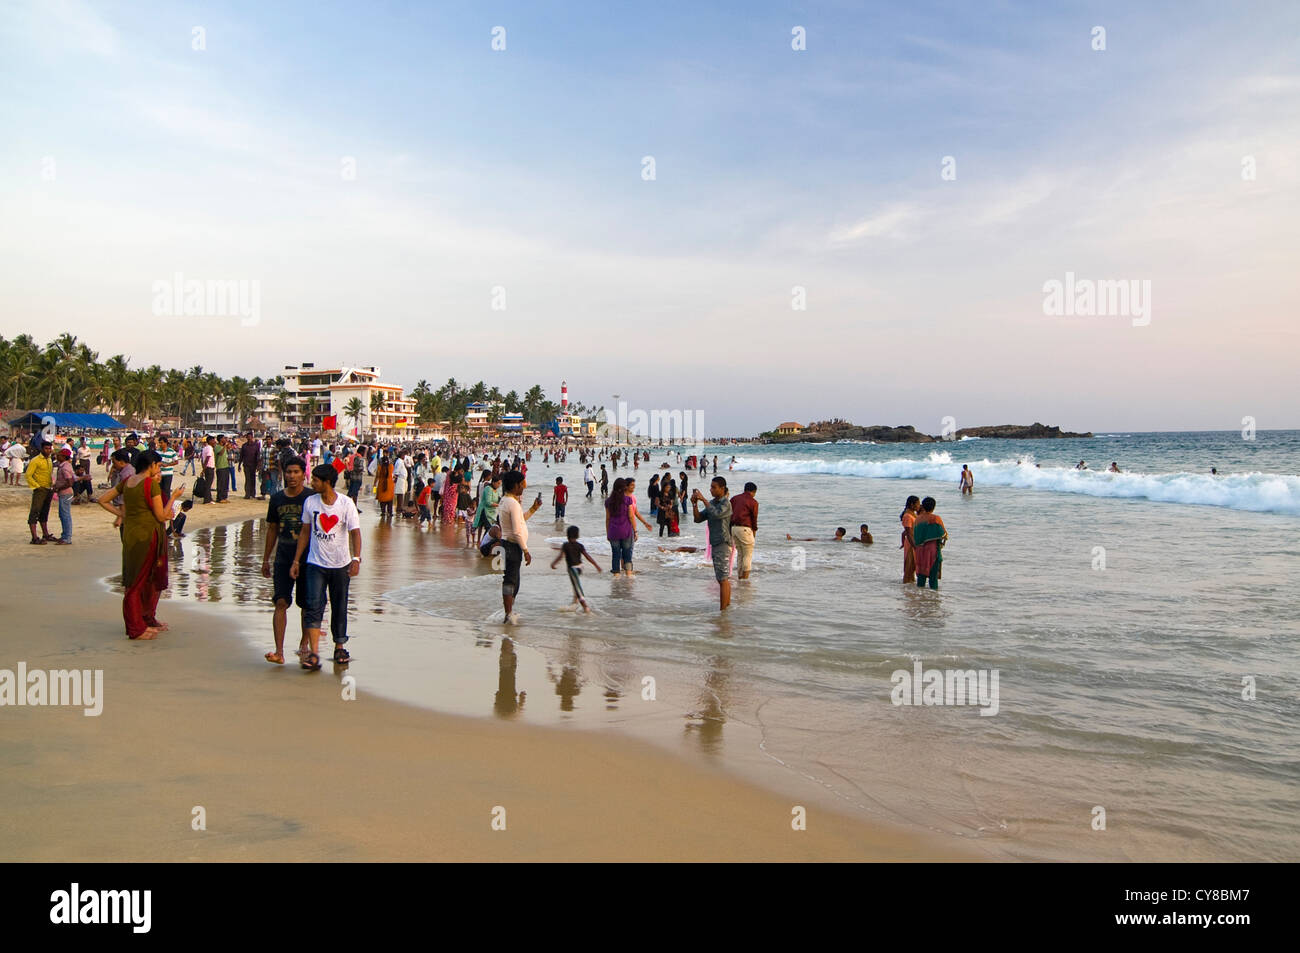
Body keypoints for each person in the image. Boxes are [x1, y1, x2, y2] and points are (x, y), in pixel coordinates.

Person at [97, 449, 185, 639]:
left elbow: (102, 499)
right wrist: (174, 498)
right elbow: (161, 516)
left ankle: (141, 622)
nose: (159, 469)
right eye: (159, 466)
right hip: (147, 536)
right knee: (137, 583)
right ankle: (135, 628)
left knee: (136, 579)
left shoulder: (128, 482)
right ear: (152, 465)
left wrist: (123, 515)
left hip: (131, 534)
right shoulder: (149, 484)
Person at [290, 464, 362, 670]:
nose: (311, 483)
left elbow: (355, 532)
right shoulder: (310, 502)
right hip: (315, 563)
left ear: (327, 483)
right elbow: (305, 532)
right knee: (313, 606)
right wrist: (296, 561)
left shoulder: (346, 504)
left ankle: (339, 646)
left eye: (315, 480)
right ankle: (314, 652)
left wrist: (356, 558)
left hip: (340, 564)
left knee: (340, 605)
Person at [261, 456, 315, 665]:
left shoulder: (311, 498)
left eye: (296, 472)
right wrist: (266, 559)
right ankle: (279, 651)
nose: (292, 476)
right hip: (283, 557)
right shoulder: (276, 499)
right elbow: (272, 529)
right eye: (288, 472)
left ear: (303, 474)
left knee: (306, 604)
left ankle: (304, 645)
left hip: (308, 559)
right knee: (281, 602)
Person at [497, 470, 542, 624]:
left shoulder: (506, 500)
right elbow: (516, 531)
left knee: (513, 580)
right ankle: (508, 613)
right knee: (511, 580)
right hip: (512, 545)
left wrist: (533, 509)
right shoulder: (512, 503)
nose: (523, 487)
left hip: (506, 544)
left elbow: (520, 521)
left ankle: (509, 611)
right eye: (522, 484)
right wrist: (526, 550)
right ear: (515, 485)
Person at [691, 476, 733, 610]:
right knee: (721, 578)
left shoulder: (725, 503)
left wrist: (703, 500)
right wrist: (694, 504)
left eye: (714, 487)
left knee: (723, 578)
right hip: (715, 543)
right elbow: (698, 519)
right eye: (711, 487)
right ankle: (725, 608)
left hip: (722, 542)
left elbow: (716, 514)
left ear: (722, 488)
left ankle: (724, 610)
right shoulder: (712, 503)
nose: (711, 490)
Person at [605, 477, 652, 576]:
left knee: (615, 555)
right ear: (624, 488)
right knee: (627, 555)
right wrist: (635, 531)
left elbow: (608, 519)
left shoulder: (608, 501)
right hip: (626, 531)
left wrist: (607, 533)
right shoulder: (627, 500)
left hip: (613, 532)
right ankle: (629, 575)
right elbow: (631, 516)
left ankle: (616, 576)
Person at [551, 525, 602, 612]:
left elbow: (561, 556)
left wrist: (554, 563)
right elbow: (587, 556)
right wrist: (596, 565)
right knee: (575, 583)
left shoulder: (565, 545)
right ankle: (575, 602)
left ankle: (585, 606)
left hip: (572, 569)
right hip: (580, 568)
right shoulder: (580, 545)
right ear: (577, 535)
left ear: (567, 535)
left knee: (577, 586)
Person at [912, 497, 948, 590]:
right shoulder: (936, 518)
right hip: (932, 550)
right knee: (933, 577)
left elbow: (915, 535)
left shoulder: (917, 519)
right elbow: (943, 534)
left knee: (921, 576)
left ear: (923, 506)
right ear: (934, 507)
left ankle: (920, 597)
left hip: (919, 549)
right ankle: (933, 599)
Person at [25, 440, 55, 544]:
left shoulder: (50, 460)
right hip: (40, 489)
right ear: (42, 449)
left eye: (50, 448)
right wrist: (36, 486)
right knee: (35, 512)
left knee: (44, 512)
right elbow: (28, 475)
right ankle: (34, 537)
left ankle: (45, 534)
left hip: (48, 488)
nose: (48, 450)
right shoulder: (35, 460)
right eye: (46, 448)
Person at [729, 481, 758, 579]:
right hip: (745, 529)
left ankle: (740, 577)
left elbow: (729, 514)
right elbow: (754, 519)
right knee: (747, 555)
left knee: (740, 554)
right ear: (753, 492)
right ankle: (745, 580)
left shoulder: (734, 498)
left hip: (733, 528)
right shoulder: (753, 502)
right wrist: (754, 533)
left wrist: (730, 530)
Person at [899, 496, 920, 582]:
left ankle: (910, 588)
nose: (919, 505)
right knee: (909, 567)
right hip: (912, 542)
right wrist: (914, 546)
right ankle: (907, 588)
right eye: (918, 503)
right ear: (912, 504)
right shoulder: (908, 515)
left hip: (914, 541)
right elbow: (908, 532)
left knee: (913, 567)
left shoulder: (912, 513)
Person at [374, 454, 395, 519]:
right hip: (390, 484)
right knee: (390, 499)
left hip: (381, 484)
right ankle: (390, 512)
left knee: (382, 499)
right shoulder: (391, 466)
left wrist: (374, 484)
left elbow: (377, 476)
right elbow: (393, 475)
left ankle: (383, 512)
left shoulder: (379, 468)